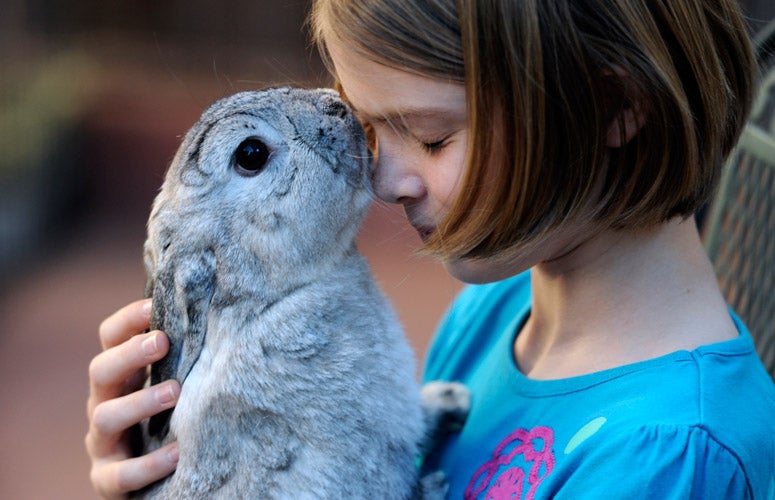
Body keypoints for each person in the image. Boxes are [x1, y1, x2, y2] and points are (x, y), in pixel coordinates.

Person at [86, 0, 775, 498]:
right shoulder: (500, 308)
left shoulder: (670, 464)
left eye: (433, 137)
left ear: (616, 108)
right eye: (374, 129)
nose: (384, 180)